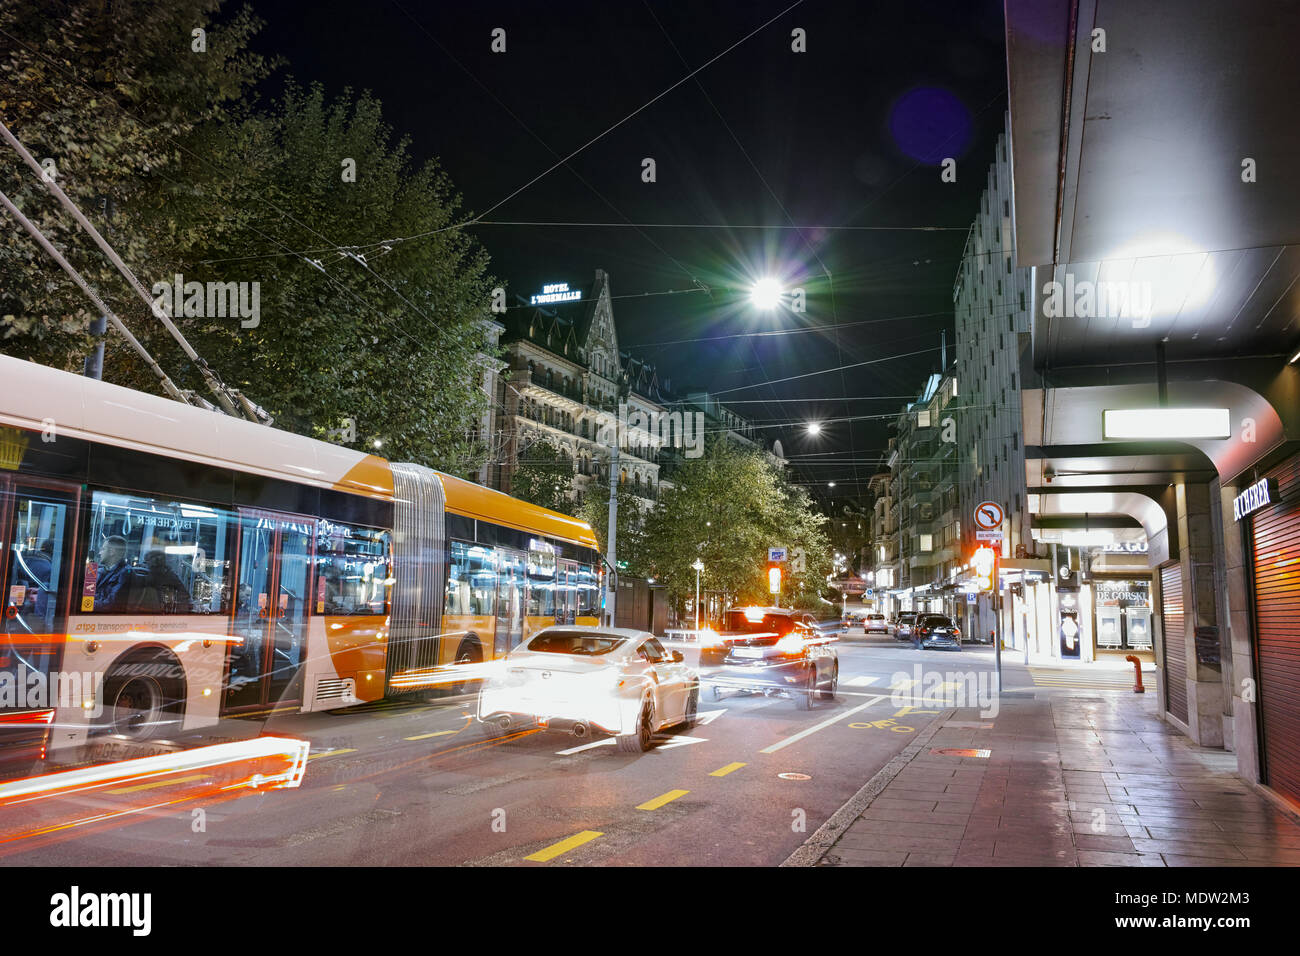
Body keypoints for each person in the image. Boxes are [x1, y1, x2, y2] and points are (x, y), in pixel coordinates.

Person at [94, 535, 134, 611]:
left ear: (112, 552)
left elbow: (110, 604)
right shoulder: (103, 570)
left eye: (103, 549)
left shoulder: (124, 573)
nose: (99, 553)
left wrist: (85, 603)